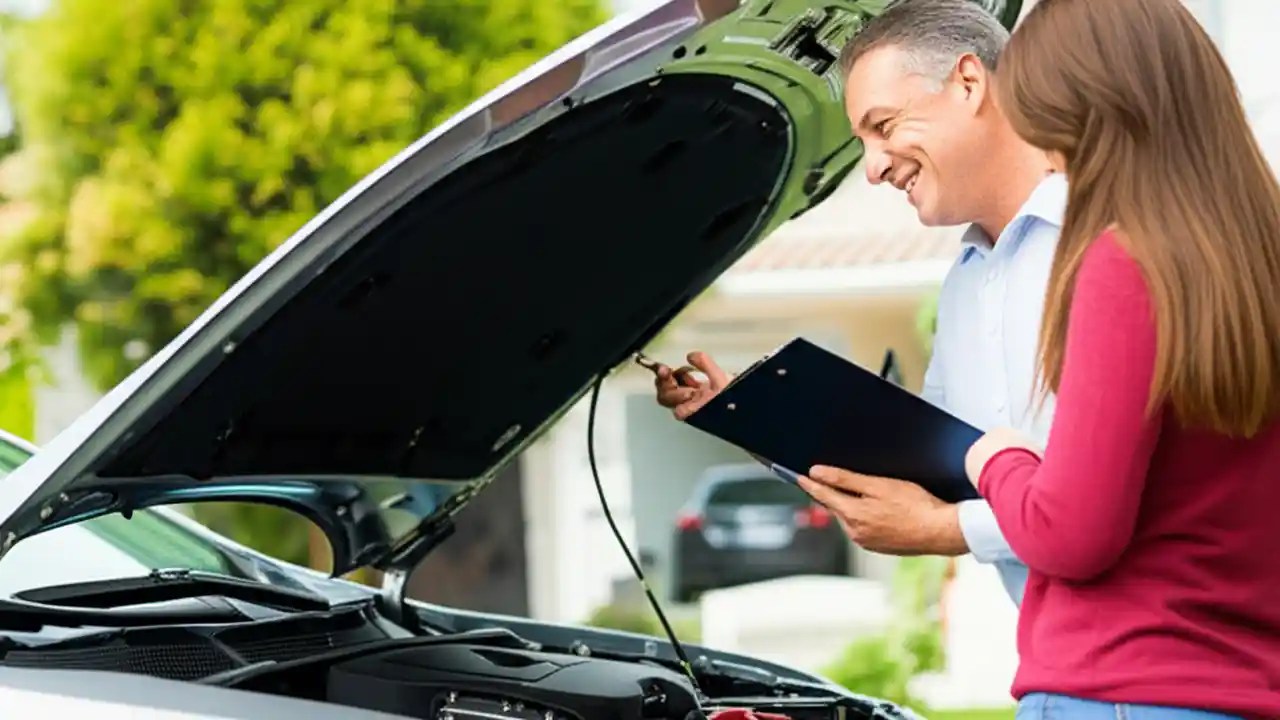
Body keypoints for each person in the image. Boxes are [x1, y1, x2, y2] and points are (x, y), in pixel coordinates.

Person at [653, 0, 1057, 605]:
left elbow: (1104, 506)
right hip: (1051, 665)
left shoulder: (1100, 251)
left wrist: (946, 531)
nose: (870, 169)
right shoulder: (967, 285)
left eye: (885, 125)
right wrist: (754, 417)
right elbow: (928, 470)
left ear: (968, 83)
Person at [962, 0, 1280, 718]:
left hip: (1118, 689)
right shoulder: (1262, 265)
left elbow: (1071, 535)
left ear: (1093, 119)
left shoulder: (1125, 262)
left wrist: (997, 460)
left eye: (1049, 136)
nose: (1047, 161)